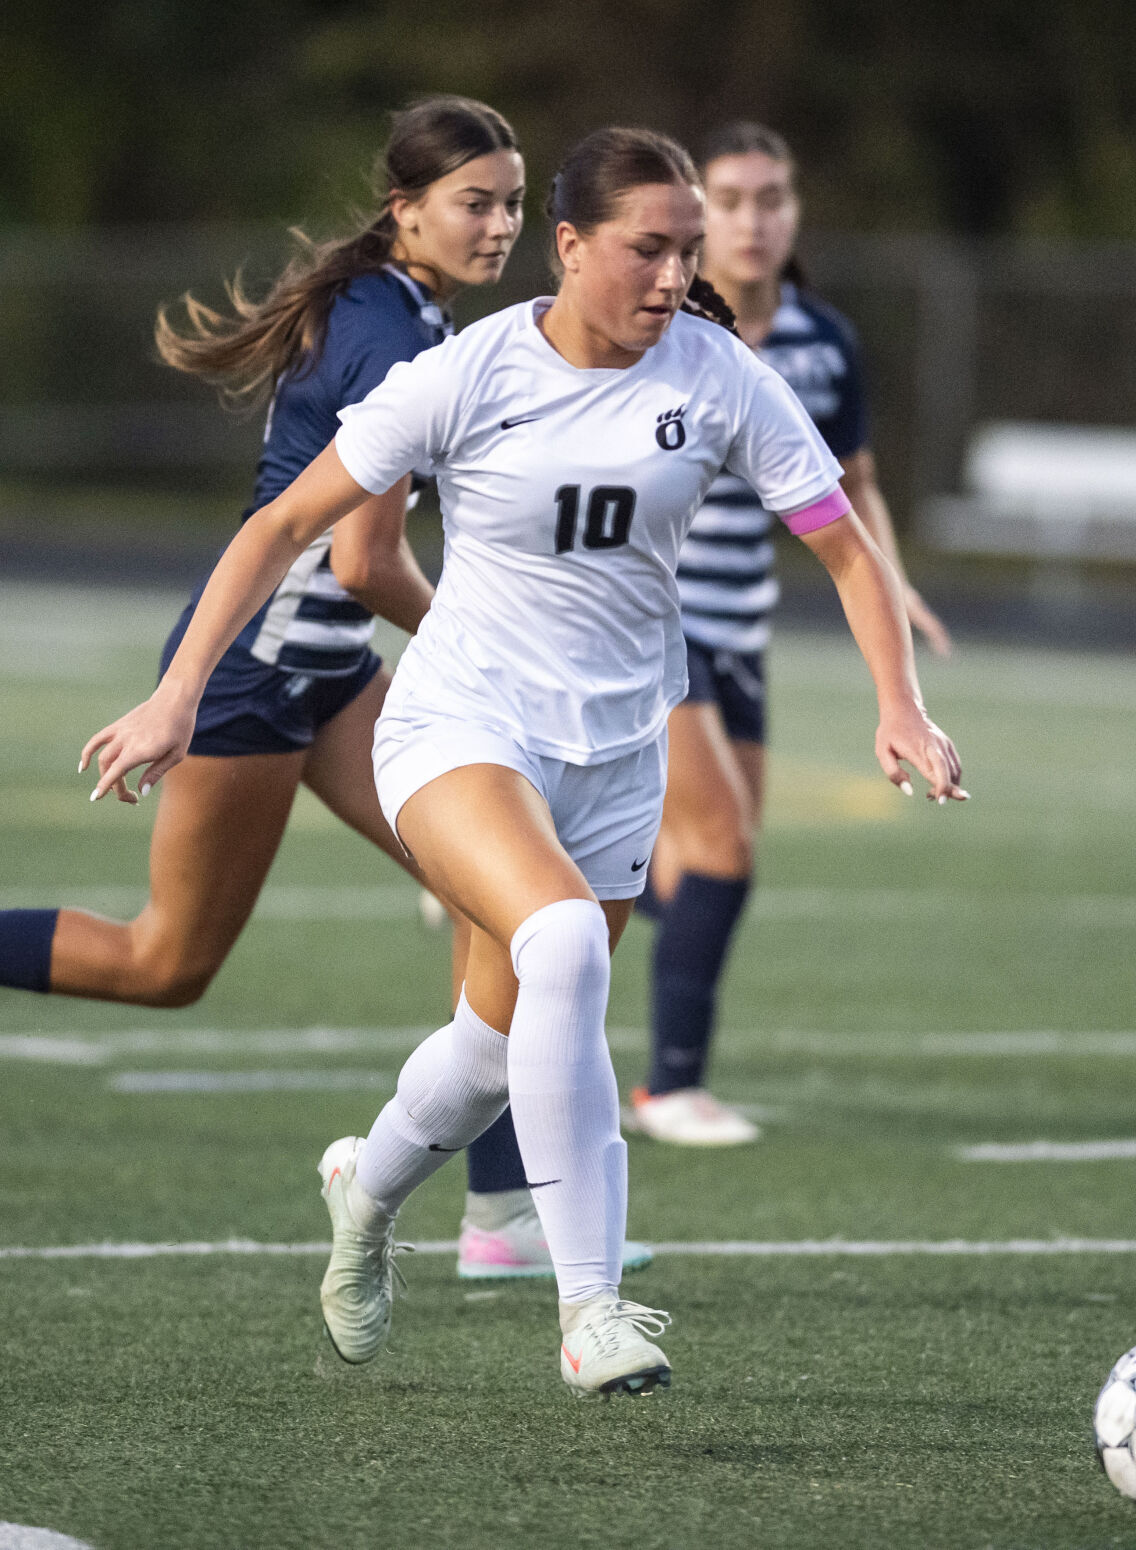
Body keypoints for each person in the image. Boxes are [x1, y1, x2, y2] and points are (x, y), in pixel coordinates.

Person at [79, 125, 966, 1398]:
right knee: (566, 944)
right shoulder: (468, 370)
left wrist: (898, 702)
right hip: (460, 727)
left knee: (496, 1042)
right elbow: (286, 523)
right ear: (570, 245)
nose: (671, 276)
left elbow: (838, 544)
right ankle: (590, 1306)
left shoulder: (718, 375)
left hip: (618, 752)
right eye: (645, 249)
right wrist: (175, 695)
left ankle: (363, 1185)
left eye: (685, 252)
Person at [0, 94, 641, 1282]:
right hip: (252, 674)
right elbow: (362, 558)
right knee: (165, 964)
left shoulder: (399, 307)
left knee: (509, 894)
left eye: (511, 202)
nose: (499, 224)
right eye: (474, 202)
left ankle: (498, 1213)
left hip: (333, 669)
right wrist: (497, 642)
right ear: (404, 211)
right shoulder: (395, 333)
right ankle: (497, 1206)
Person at [625, 122, 954, 1147]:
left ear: (793, 210)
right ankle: (670, 1083)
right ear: (696, 214)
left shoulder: (822, 342)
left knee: (704, 864)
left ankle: (527, 870)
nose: (752, 219)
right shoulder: (658, 330)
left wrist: (890, 587)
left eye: (770, 198)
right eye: (729, 199)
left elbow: (851, 491)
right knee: (717, 847)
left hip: (739, 628)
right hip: (655, 621)